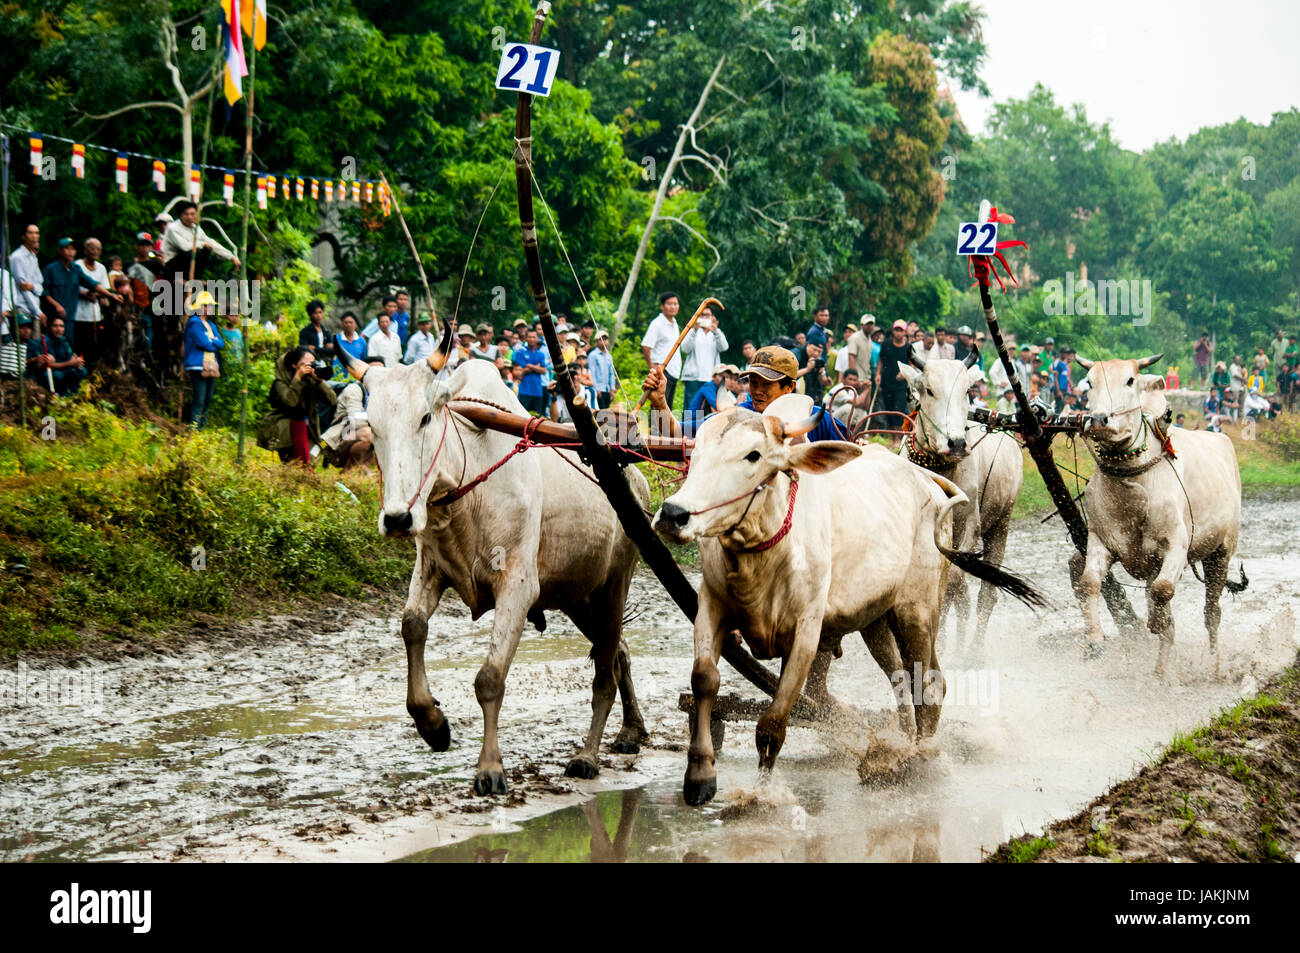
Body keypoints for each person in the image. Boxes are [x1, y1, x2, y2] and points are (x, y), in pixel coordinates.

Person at [257, 346, 338, 466]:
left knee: (310, 461)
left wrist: (319, 381)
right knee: (293, 463)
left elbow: (333, 400)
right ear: (294, 365)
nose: (310, 367)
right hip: (283, 428)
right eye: (305, 364)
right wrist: (297, 378)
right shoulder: (280, 382)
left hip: (309, 426)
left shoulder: (312, 380)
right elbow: (291, 402)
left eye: (312, 363)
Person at [42, 237, 115, 352]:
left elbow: (92, 284)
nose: (71, 252)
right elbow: (45, 293)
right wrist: (57, 306)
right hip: (54, 318)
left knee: (70, 347)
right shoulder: (50, 269)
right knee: (52, 348)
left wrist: (111, 296)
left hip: (70, 318)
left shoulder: (76, 269)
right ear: (60, 251)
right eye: (67, 249)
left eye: (73, 249)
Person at [323, 356, 385, 469]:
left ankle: (360, 470)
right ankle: (349, 471)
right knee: (369, 434)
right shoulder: (354, 389)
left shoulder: (381, 393)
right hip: (343, 435)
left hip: (363, 433)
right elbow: (356, 420)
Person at [161, 201, 240, 281]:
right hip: (172, 265)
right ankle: (183, 278)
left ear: (196, 214)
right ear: (181, 215)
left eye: (192, 214)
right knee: (195, 251)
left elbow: (211, 243)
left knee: (207, 249)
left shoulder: (196, 229)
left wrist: (231, 257)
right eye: (186, 214)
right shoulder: (172, 228)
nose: (189, 217)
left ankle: (194, 278)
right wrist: (202, 244)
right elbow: (184, 247)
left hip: (188, 264)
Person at [182, 292, 226, 430]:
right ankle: (193, 427)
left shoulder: (211, 325)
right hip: (197, 365)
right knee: (199, 399)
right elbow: (203, 343)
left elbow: (221, 343)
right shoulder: (194, 322)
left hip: (212, 365)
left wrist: (210, 340)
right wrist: (212, 341)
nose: (208, 308)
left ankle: (202, 427)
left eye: (210, 305)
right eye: (205, 305)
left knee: (208, 398)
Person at [678, 303, 728, 413]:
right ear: (697, 317)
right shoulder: (692, 332)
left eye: (708, 315)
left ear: (712, 317)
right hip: (693, 379)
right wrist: (694, 330)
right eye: (702, 315)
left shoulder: (715, 334)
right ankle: (686, 430)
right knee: (691, 409)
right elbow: (685, 349)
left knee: (709, 410)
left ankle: (703, 430)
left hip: (711, 379)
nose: (705, 317)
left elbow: (724, 347)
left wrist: (716, 330)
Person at [641, 291, 682, 407]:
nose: (673, 307)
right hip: (663, 370)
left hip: (673, 371)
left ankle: (663, 426)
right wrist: (651, 366)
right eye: (669, 304)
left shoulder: (674, 323)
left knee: (667, 406)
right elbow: (646, 345)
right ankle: (655, 426)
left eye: (675, 304)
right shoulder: (657, 323)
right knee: (658, 404)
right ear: (662, 306)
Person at [27, 315, 86, 395]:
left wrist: (76, 362)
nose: (59, 329)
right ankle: (56, 394)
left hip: (64, 369)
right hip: (48, 373)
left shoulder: (64, 340)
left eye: (61, 326)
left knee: (82, 371)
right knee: (55, 375)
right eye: (55, 326)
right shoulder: (41, 342)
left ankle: (72, 393)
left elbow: (70, 357)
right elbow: (42, 367)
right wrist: (69, 364)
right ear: (48, 328)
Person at [874, 319, 914, 435]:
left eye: (900, 330)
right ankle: (892, 434)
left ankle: (898, 435)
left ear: (905, 332)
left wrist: (904, 373)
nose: (898, 333)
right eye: (896, 330)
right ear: (893, 331)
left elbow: (911, 364)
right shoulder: (886, 344)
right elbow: (881, 361)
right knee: (889, 407)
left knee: (899, 408)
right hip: (887, 380)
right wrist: (878, 374)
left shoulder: (908, 347)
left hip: (901, 384)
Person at [683, 363, 741, 436]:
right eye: (721, 376)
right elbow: (719, 407)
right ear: (713, 377)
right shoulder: (708, 387)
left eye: (726, 377)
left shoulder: (719, 390)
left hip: (700, 421)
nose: (724, 380)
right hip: (692, 423)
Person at [515, 326, 551, 415]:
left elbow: (544, 371)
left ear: (538, 339)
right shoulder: (520, 352)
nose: (532, 339)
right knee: (522, 416)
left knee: (537, 417)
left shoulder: (541, 354)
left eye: (534, 337)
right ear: (526, 338)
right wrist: (537, 367)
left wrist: (530, 366)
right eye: (530, 337)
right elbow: (521, 371)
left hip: (538, 391)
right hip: (524, 390)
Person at [10, 223, 43, 320]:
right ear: (23, 237)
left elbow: (40, 287)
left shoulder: (33, 257)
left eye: (37, 233)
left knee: (36, 335)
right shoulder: (17, 257)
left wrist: (33, 287)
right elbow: (23, 289)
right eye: (31, 233)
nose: (34, 236)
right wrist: (38, 311)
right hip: (22, 308)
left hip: (35, 310)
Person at [831, 368, 872, 433]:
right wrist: (866, 390)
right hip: (829, 419)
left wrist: (868, 389)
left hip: (838, 419)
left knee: (862, 412)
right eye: (850, 379)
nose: (852, 382)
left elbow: (865, 407)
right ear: (843, 379)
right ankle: (843, 435)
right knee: (849, 408)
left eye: (855, 380)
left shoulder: (851, 391)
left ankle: (853, 435)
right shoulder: (839, 389)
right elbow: (857, 403)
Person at [587, 328, 616, 408]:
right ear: (597, 341)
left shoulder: (609, 356)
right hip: (598, 389)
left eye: (605, 339)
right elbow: (591, 372)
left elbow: (611, 374)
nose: (604, 341)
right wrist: (595, 388)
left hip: (607, 389)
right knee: (599, 413)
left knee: (607, 412)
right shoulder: (593, 355)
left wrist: (612, 389)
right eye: (601, 339)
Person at [333, 312, 366, 376]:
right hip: (338, 377)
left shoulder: (361, 341)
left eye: (351, 322)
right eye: (346, 322)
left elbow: (364, 360)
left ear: (356, 324)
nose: (348, 325)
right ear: (342, 324)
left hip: (356, 376)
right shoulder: (335, 339)